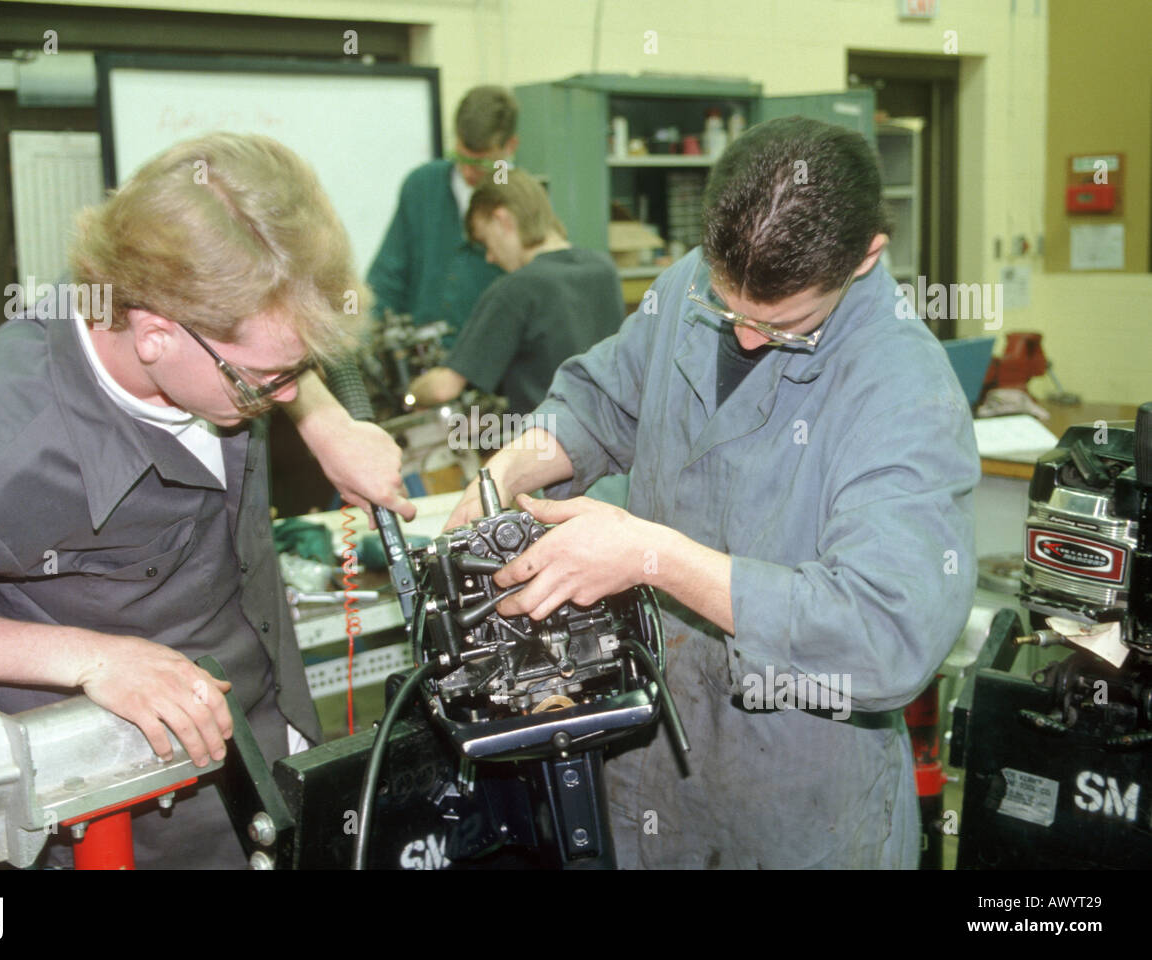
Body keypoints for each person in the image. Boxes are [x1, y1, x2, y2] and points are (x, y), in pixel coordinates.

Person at [0, 133, 414, 869]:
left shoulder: (172, 295)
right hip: (131, 819)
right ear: (154, 336)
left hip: (270, 742)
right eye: (268, 381)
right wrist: (92, 660)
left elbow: (262, 336)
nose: (279, 394)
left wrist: (327, 418)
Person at [443, 116, 980, 869]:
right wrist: (505, 471)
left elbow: (888, 631)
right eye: (730, 309)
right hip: (653, 758)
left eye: (783, 325)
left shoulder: (905, 392)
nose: (748, 338)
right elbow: (603, 400)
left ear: (866, 257)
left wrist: (652, 557)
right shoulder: (691, 283)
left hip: (797, 792)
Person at [407, 169, 625, 416]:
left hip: (545, 444)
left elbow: (444, 388)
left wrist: (411, 395)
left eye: (486, 242)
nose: (489, 257)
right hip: (608, 439)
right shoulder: (603, 268)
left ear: (503, 220)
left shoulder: (515, 289)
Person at [366, 85, 519, 347]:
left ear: (511, 146)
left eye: (482, 163)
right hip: (422, 359)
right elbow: (387, 277)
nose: (470, 172)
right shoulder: (422, 186)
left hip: (490, 361)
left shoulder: (521, 202)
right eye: (462, 157)